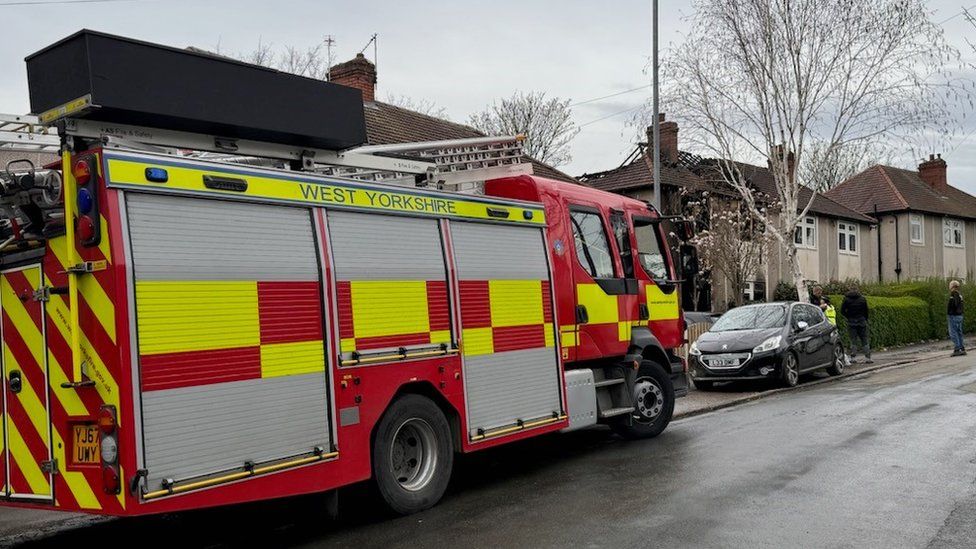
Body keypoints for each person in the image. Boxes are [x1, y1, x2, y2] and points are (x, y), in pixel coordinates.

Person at [841, 283, 871, 363]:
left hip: (851, 321)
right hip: (861, 321)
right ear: (857, 290)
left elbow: (842, 311)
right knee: (864, 339)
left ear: (850, 290)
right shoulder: (862, 299)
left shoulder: (846, 299)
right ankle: (868, 357)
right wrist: (865, 319)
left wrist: (848, 316)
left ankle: (853, 357)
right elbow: (866, 311)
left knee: (853, 340)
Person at [948, 280, 966, 357]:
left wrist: (951, 311)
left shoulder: (953, 294)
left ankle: (957, 349)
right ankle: (962, 348)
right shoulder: (959, 294)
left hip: (954, 315)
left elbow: (954, 304)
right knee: (959, 332)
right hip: (960, 315)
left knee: (953, 333)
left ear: (952, 286)